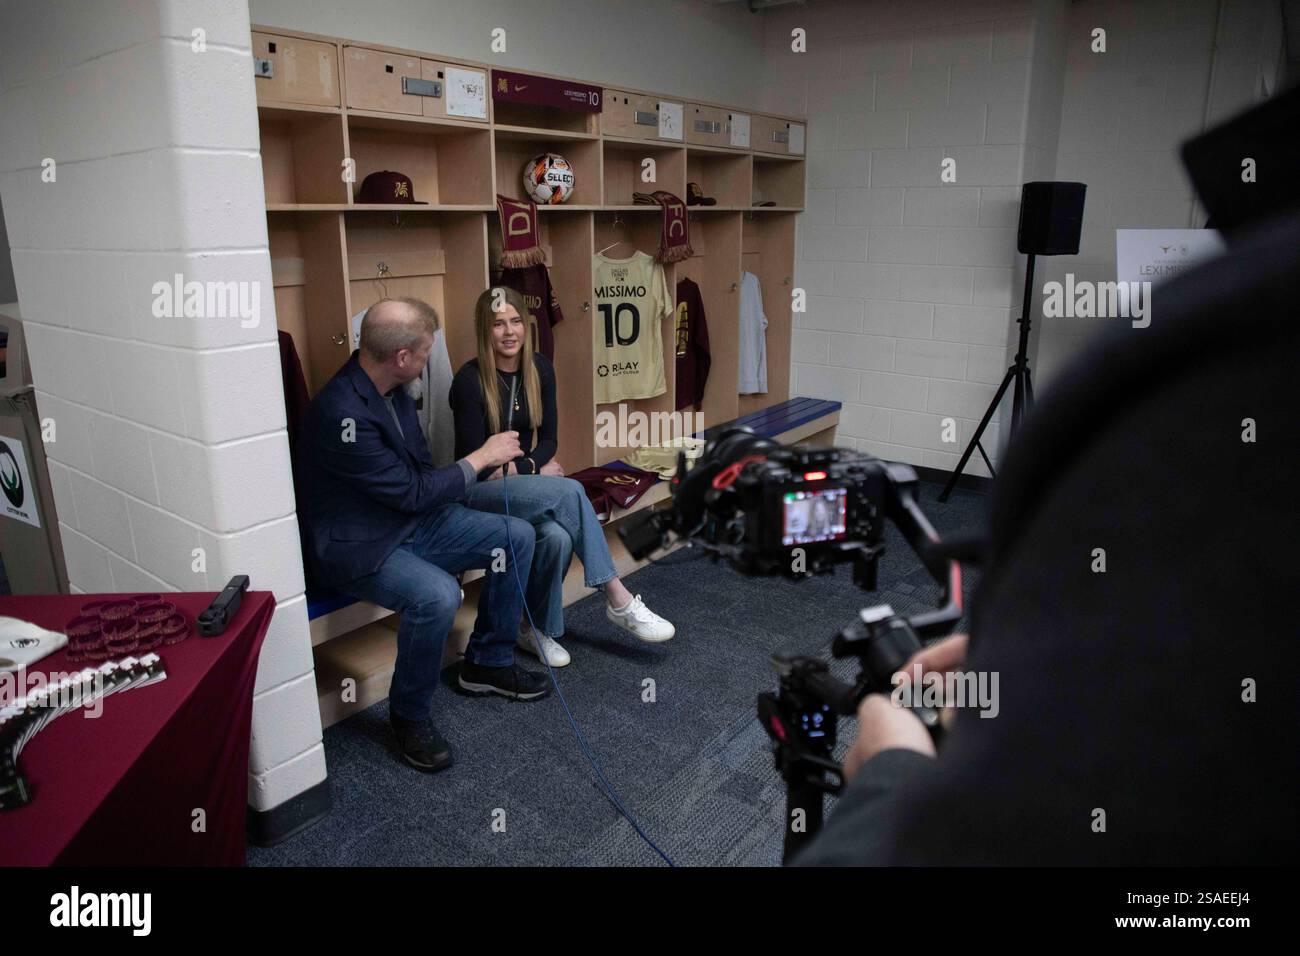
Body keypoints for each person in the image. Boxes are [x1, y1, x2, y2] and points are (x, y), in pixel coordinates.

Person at [296, 297, 550, 774]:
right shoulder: (341, 414)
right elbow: (413, 491)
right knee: (436, 594)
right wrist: (481, 457)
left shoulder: (391, 388)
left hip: (409, 518)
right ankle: (409, 716)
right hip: (361, 541)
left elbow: (417, 481)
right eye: (426, 351)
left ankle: (487, 663)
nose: (430, 359)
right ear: (402, 358)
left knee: (515, 536)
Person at [449, 286, 675, 667]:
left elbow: (550, 439)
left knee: (555, 535)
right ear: (484, 330)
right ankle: (618, 598)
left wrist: (526, 468)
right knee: (569, 490)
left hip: (520, 484)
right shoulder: (469, 381)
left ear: (527, 325)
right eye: (498, 324)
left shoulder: (539, 368)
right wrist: (532, 468)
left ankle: (534, 630)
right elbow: (480, 466)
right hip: (476, 492)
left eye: (516, 321)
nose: (509, 332)